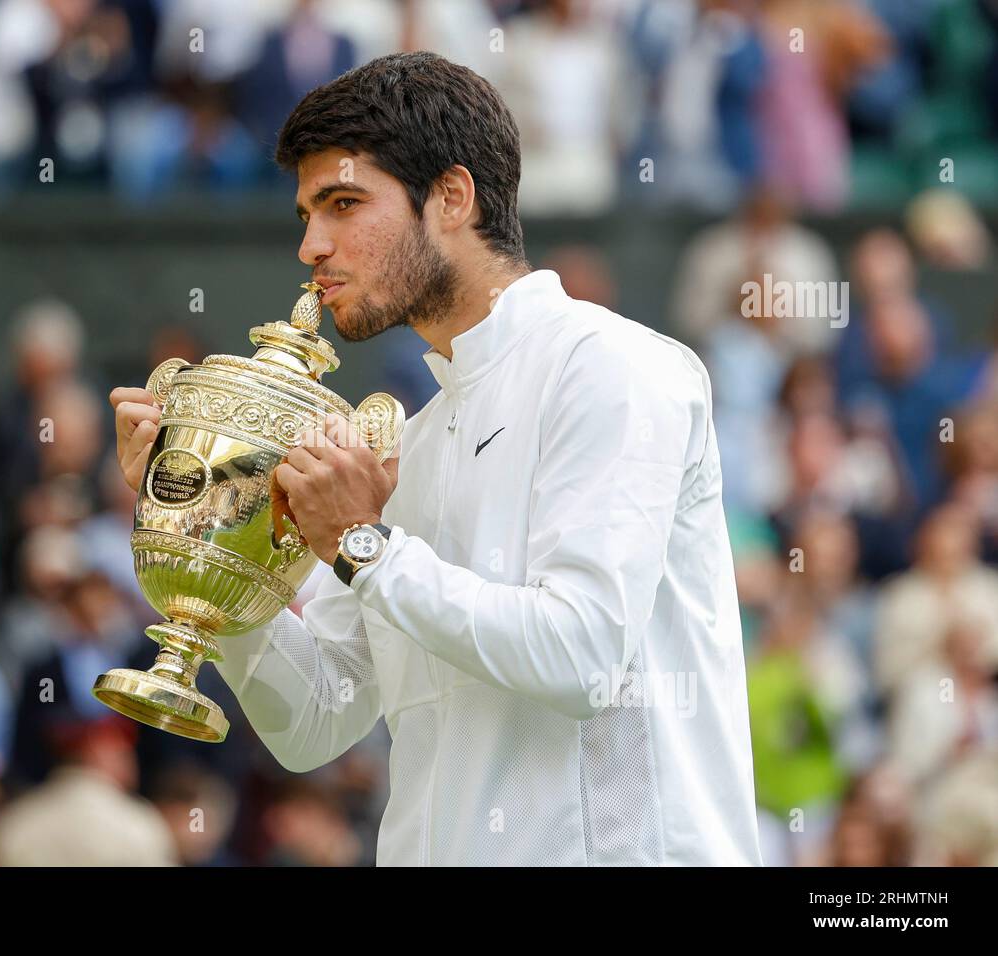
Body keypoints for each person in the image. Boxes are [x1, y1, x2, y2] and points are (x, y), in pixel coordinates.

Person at [109, 52, 761, 866]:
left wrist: (362, 546)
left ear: (451, 198)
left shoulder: (612, 365)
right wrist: (213, 532)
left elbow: (582, 652)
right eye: (307, 214)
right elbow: (314, 722)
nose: (312, 245)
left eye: (344, 204)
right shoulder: (411, 445)